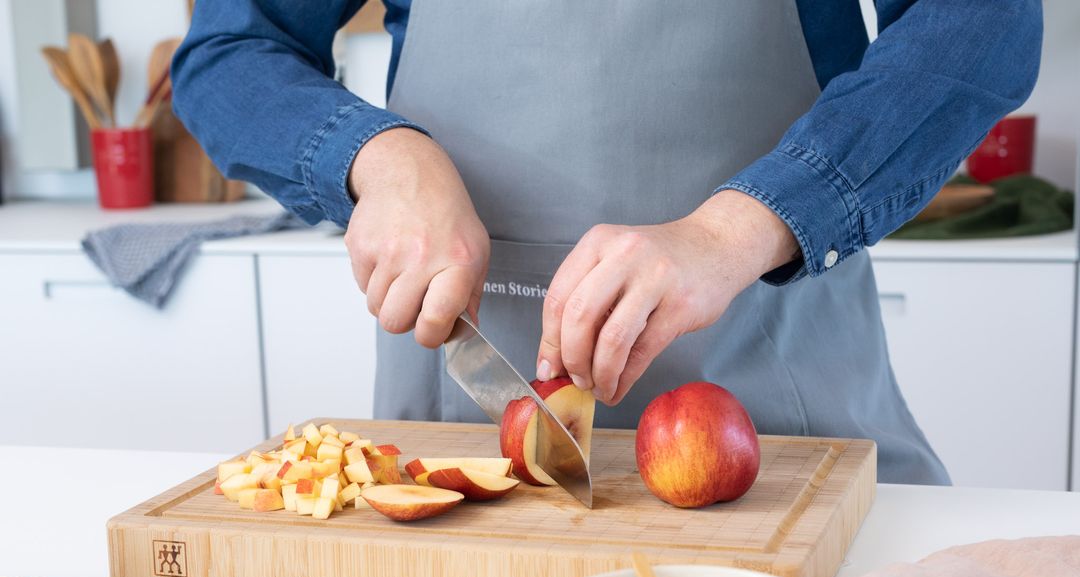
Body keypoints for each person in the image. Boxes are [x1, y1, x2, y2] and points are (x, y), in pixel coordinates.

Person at [173, 0, 1041, 485]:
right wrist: (379, 158)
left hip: (781, 402)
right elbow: (231, 48)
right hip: (464, 425)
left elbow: (983, 19)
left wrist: (734, 229)